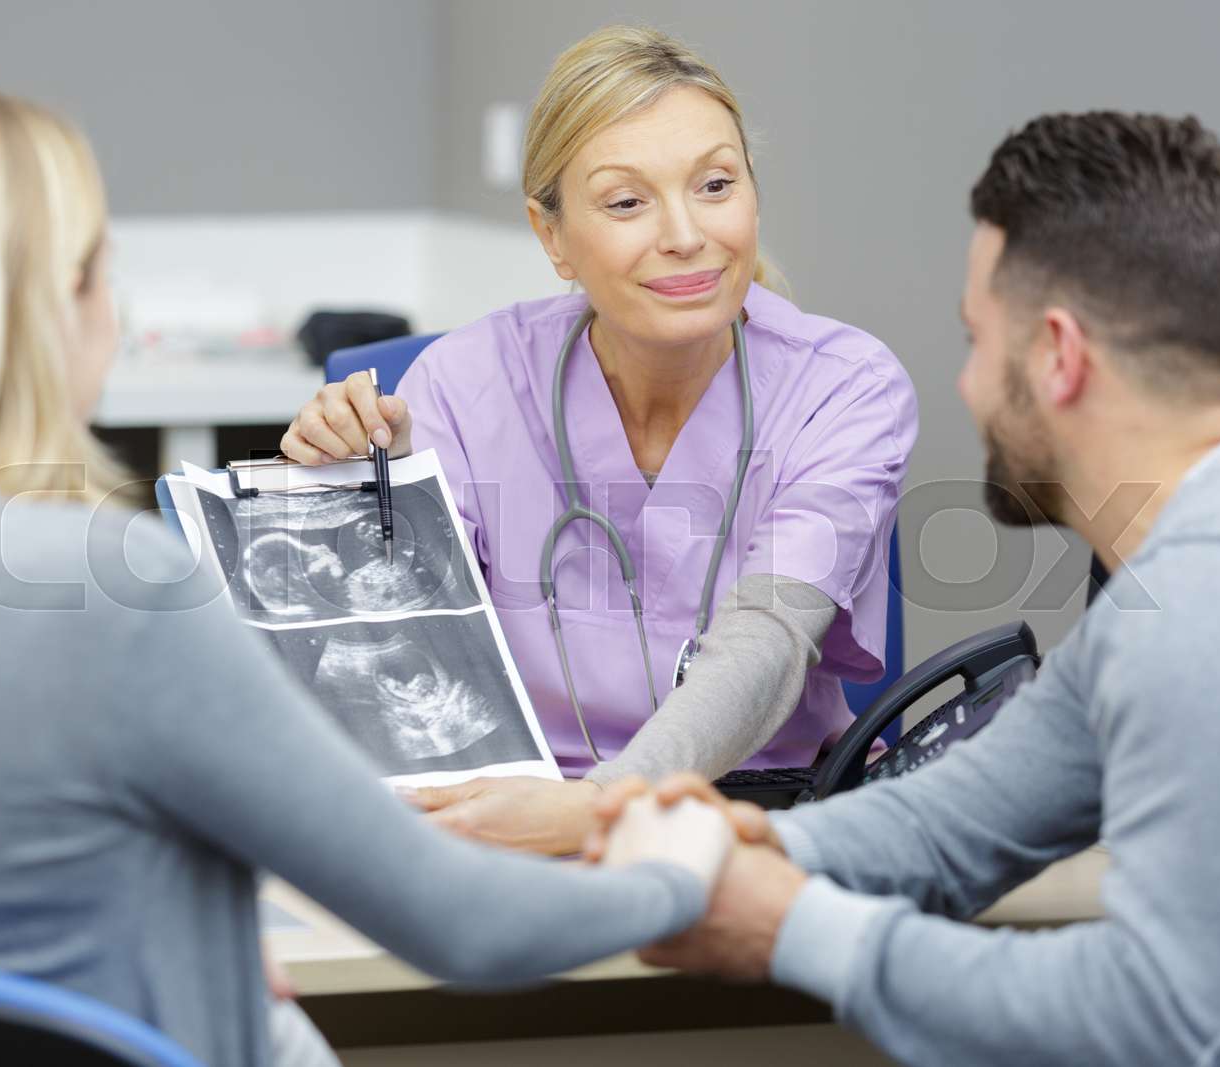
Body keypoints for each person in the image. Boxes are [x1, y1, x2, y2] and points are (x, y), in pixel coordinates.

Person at [0, 74, 733, 1067]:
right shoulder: (108, 585)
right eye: (102, 268)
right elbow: (465, 924)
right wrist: (689, 862)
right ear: (59, 305)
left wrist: (177, 938)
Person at [587, 111, 1220, 1064]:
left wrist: (794, 925)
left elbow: (1160, 1026)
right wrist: (748, 845)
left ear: (1057, 354)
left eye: (976, 342)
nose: (964, 386)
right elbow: (951, 823)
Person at [284, 25, 917, 854]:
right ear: (552, 238)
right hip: (496, 822)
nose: (686, 233)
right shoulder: (465, 382)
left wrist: (596, 811)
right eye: (627, 201)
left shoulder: (845, 387)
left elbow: (767, 642)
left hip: (753, 825)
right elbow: (397, 659)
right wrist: (370, 488)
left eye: (716, 185)